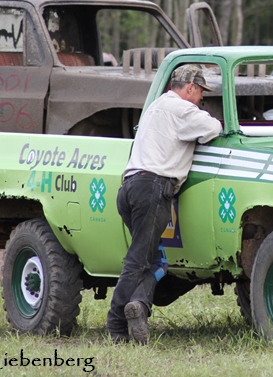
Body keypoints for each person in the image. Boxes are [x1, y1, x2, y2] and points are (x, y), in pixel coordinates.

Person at [106, 64, 222, 344]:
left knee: (155, 260)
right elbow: (214, 128)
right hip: (153, 188)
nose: (201, 100)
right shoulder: (182, 110)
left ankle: (139, 305)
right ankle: (116, 325)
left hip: (130, 187)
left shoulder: (156, 105)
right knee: (138, 260)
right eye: (200, 93)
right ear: (190, 87)